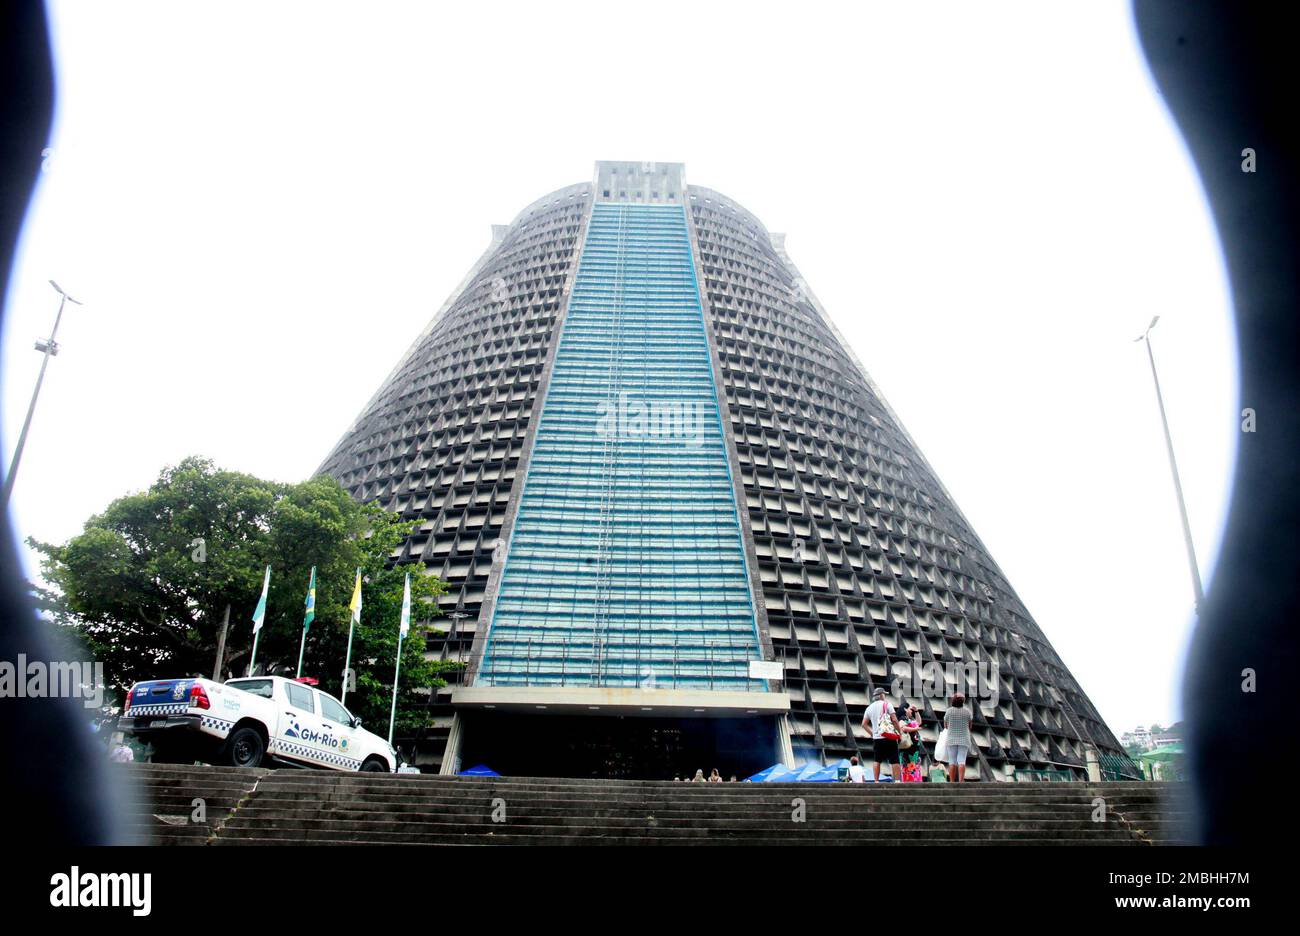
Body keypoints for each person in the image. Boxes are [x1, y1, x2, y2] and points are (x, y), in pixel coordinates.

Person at [863, 687, 902, 781]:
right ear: (881, 695)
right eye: (884, 694)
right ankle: (896, 781)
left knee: (877, 760)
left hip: (877, 738)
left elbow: (863, 724)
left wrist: (873, 734)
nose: (885, 696)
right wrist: (899, 733)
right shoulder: (887, 704)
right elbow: (894, 720)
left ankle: (876, 781)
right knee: (894, 760)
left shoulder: (869, 708)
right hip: (889, 736)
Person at [944, 692, 974, 782]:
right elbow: (970, 726)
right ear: (963, 701)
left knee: (952, 761)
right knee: (961, 760)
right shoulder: (967, 712)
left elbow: (946, 726)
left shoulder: (949, 711)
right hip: (964, 739)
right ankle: (961, 781)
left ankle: (952, 782)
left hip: (951, 739)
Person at [898, 704, 925, 782]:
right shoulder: (902, 718)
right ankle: (910, 781)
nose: (911, 711)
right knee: (908, 766)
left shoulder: (910, 719)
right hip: (908, 748)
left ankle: (915, 780)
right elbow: (903, 727)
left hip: (914, 749)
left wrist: (916, 711)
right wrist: (915, 729)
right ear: (905, 709)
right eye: (910, 709)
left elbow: (919, 722)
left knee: (915, 766)